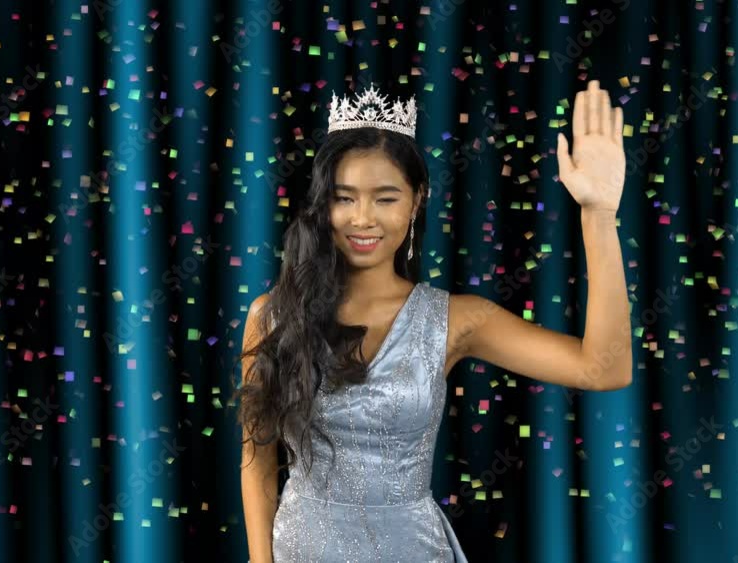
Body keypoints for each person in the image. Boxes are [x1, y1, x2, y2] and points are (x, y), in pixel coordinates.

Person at [236, 80, 632, 562]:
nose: (363, 218)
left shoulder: (456, 318)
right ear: (323, 204)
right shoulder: (273, 314)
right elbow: (257, 461)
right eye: (345, 198)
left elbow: (604, 368)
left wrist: (599, 212)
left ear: (416, 200)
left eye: (385, 198)